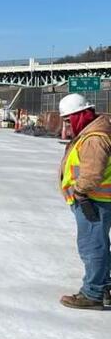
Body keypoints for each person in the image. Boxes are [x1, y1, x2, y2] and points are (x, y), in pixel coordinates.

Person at [58, 93, 111, 310]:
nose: (67, 125)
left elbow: (92, 174)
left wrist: (79, 191)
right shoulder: (94, 132)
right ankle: (104, 287)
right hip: (96, 199)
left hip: (93, 200)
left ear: (80, 115)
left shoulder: (94, 138)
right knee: (99, 245)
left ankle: (92, 293)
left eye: (68, 120)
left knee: (92, 247)